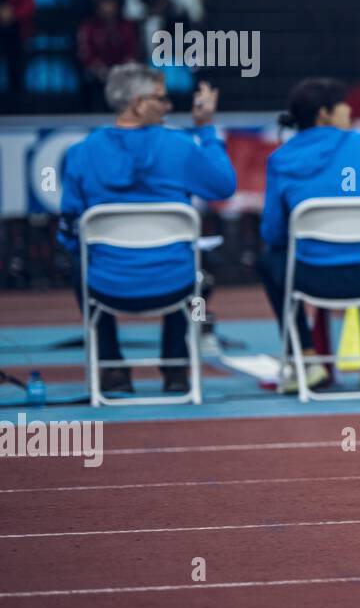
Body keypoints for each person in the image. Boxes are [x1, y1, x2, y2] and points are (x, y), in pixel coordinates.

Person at [58, 66, 234, 393]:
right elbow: (224, 186)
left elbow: (69, 230)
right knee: (194, 263)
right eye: (161, 99)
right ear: (138, 103)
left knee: (80, 263)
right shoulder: (181, 146)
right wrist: (206, 128)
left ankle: (110, 366)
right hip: (176, 284)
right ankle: (175, 364)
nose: (169, 107)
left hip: (105, 287)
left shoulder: (81, 153)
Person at [258, 78, 360, 392]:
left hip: (311, 278)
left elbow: (273, 233)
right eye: (343, 104)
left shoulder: (280, 159)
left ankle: (307, 358)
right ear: (324, 113)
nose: (350, 109)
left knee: (268, 260)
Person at [0, 0, 35, 102]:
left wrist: (13, 13)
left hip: (16, 31)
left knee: (16, 70)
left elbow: (29, 5)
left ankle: (17, 104)